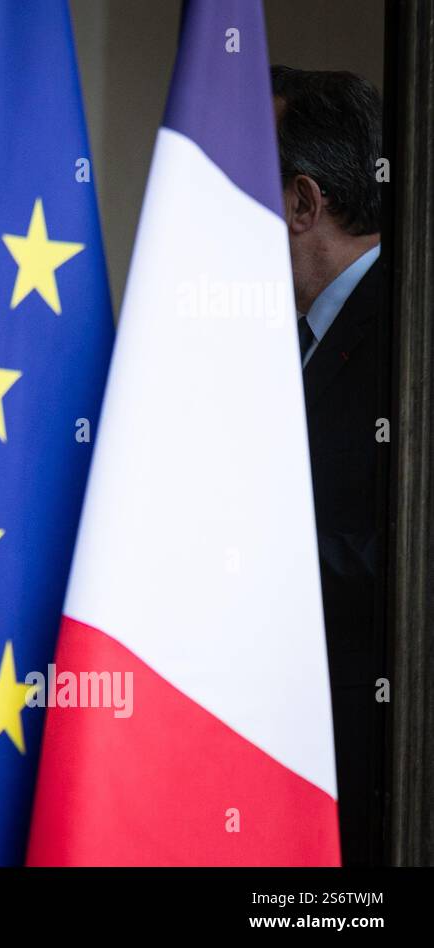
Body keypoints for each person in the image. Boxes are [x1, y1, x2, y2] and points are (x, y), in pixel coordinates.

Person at [272, 65, 388, 865]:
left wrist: (241, 557)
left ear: (304, 202)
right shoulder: (279, 333)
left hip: (374, 763)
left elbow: (400, 557)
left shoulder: (407, 328)